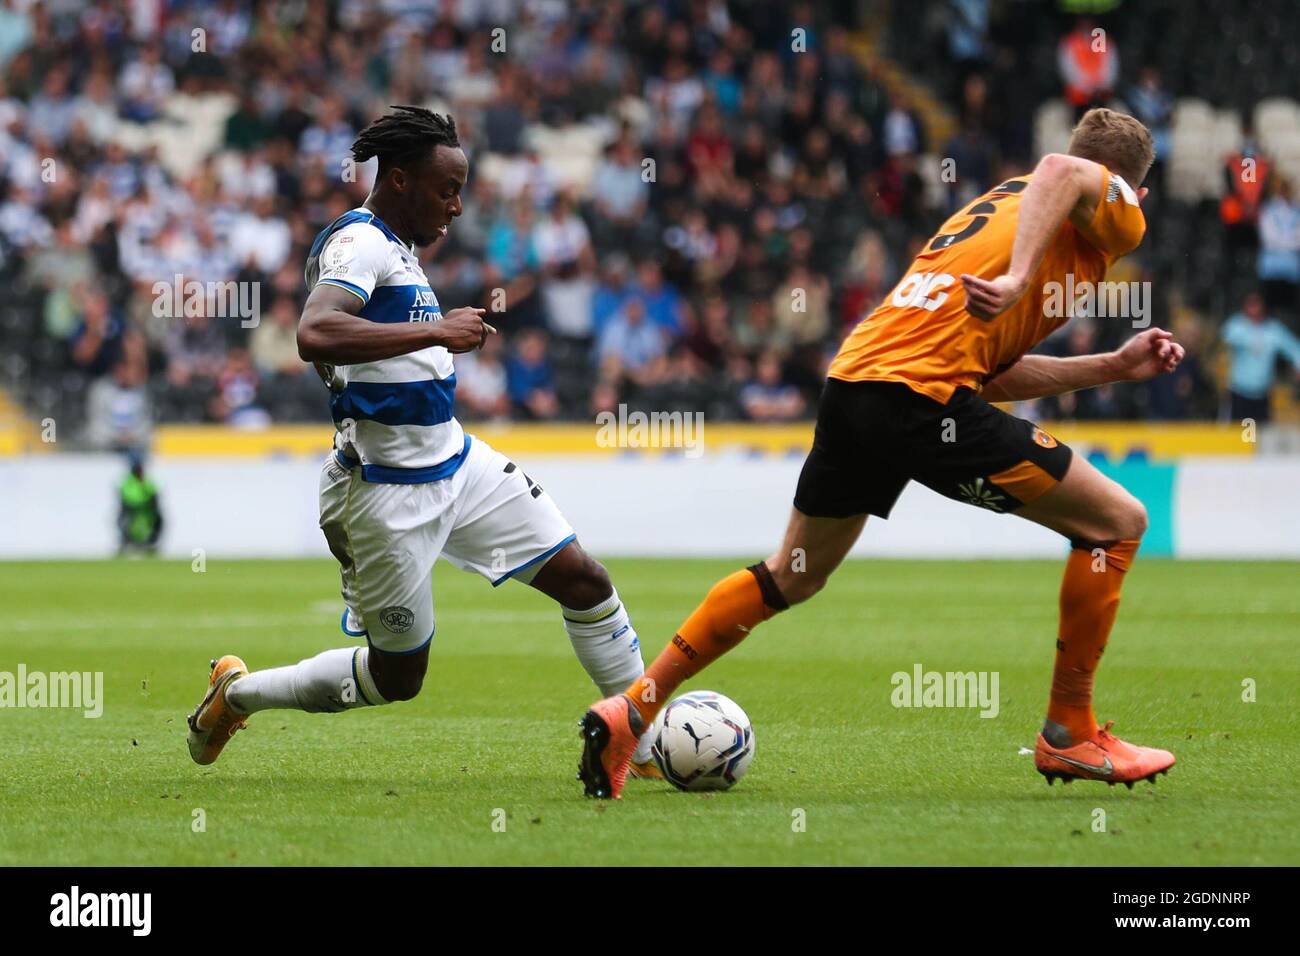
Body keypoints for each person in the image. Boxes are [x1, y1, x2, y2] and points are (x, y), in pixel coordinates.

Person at [579, 109, 1186, 799]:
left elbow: (993, 372)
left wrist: (1113, 364)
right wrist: (1021, 278)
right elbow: (1064, 170)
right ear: (1131, 188)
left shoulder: (1003, 213)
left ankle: (631, 712)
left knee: (791, 576)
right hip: (921, 404)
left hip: (857, 387)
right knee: (1117, 523)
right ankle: (1069, 733)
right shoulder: (1095, 203)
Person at [186, 107, 658, 776]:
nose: (458, 207)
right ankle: (236, 695)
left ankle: (634, 734)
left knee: (584, 580)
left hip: (458, 464)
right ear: (400, 180)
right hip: (385, 493)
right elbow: (314, 332)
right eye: (446, 190)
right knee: (397, 677)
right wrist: (437, 333)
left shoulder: (398, 248)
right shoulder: (361, 245)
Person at [1220, 291, 1300, 424]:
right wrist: (1251, 338)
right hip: (1239, 393)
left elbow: (1294, 348)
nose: (1253, 308)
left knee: (1261, 437)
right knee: (1237, 435)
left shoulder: (1273, 331)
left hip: (1262, 394)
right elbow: (1226, 337)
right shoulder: (1237, 325)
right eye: (1250, 305)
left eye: (1256, 304)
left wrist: (1298, 365)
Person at [117, 453, 163, 556]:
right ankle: (126, 542)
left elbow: (153, 492)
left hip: (146, 509)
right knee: (124, 520)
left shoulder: (145, 481)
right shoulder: (128, 482)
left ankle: (151, 542)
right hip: (132, 509)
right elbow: (127, 496)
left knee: (158, 520)